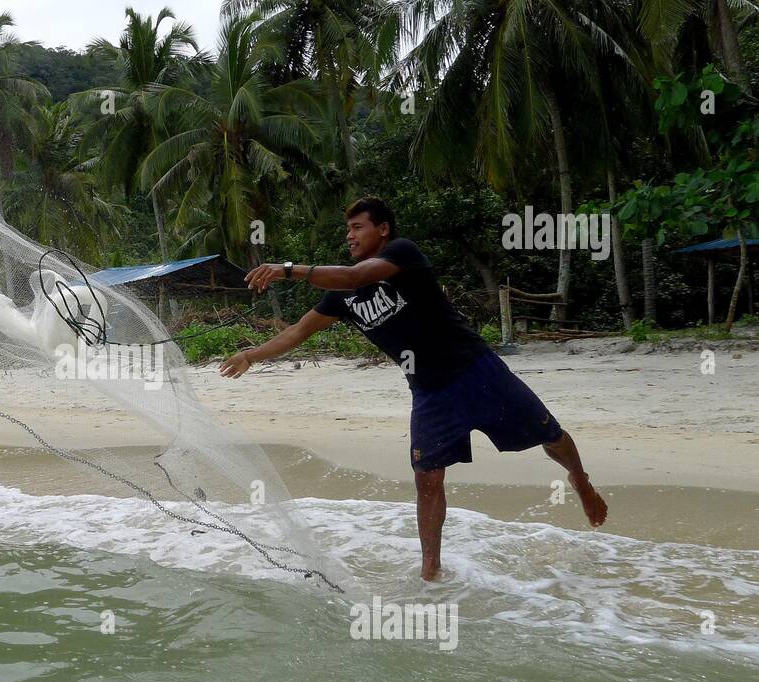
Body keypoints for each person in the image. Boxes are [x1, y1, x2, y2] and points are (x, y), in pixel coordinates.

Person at [219, 197, 607, 581]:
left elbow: (357, 275)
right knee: (427, 477)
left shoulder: (403, 255)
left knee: (551, 436)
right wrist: (252, 355)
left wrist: (288, 269)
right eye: (347, 230)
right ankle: (430, 569)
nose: (350, 237)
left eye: (358, 227)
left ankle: (580, 480)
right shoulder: (340, 296)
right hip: (429, 392)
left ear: (382, 229)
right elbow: (298, 331)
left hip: (477, 370)